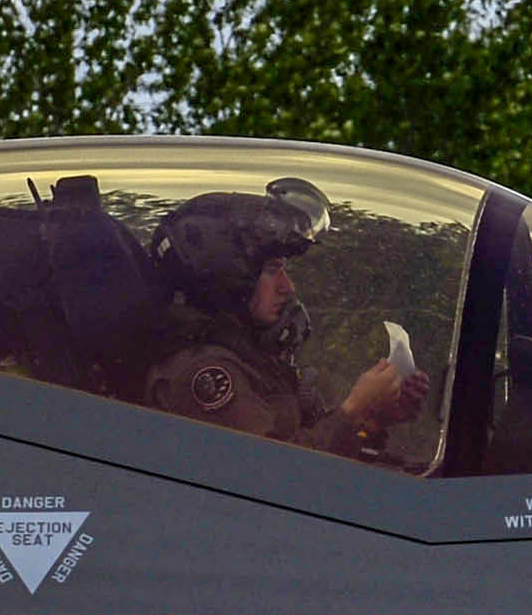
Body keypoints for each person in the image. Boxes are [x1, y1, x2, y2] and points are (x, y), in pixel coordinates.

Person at [143, 183, 431, 460]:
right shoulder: (205, 371)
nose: (288, 287)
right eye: (272, 270)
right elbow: (278, 476)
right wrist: (354, 410)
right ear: (225, 277)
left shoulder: (253, 355)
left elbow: (311, 443)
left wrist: (373, 419)